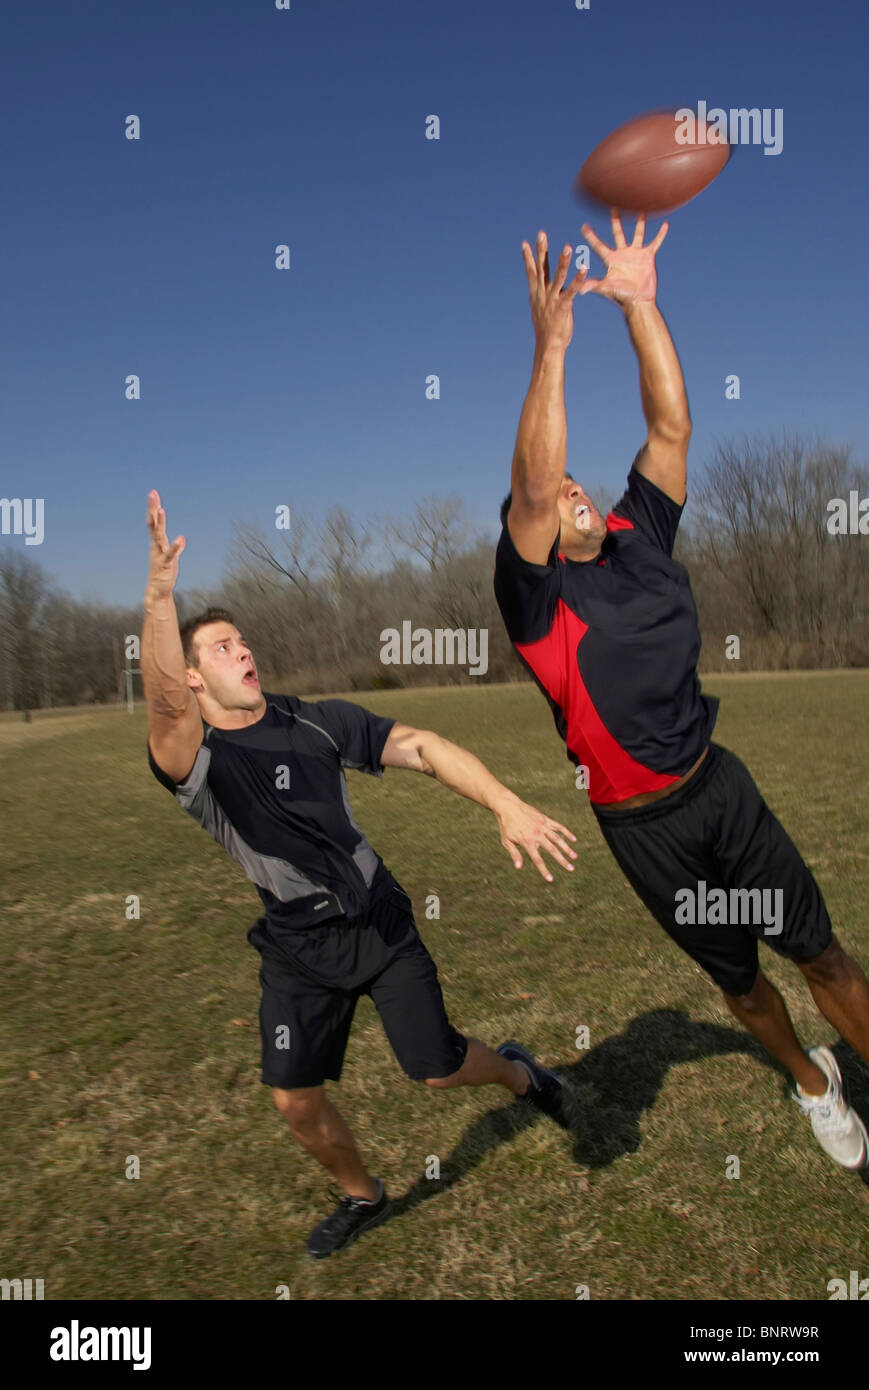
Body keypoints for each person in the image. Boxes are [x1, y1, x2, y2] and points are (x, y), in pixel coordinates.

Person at [493, 210, 869, 1171]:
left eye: (576, 481)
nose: (568, 488)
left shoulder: (639, 535)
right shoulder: (539, 601)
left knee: (820, 953)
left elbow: (671, 423)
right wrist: (553, 349)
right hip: (645, 830)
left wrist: (640, 307)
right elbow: (531, 489)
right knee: (742, 985)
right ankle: (812, 1083)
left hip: (720, 790)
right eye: (551, 493)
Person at [141, 490, 578, 1257]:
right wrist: (157, 597)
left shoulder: (313, 720)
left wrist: (505, 804)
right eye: (219, 647)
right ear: (192, 677)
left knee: (437, 1072)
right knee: (294, 1101)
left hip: (377, 921)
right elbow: (163, 709)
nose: (242, 651)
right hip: (296, 948)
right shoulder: (196, 762)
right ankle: (362, 1195)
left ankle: (518, 1076)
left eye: (241, 641)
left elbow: (422, 744)